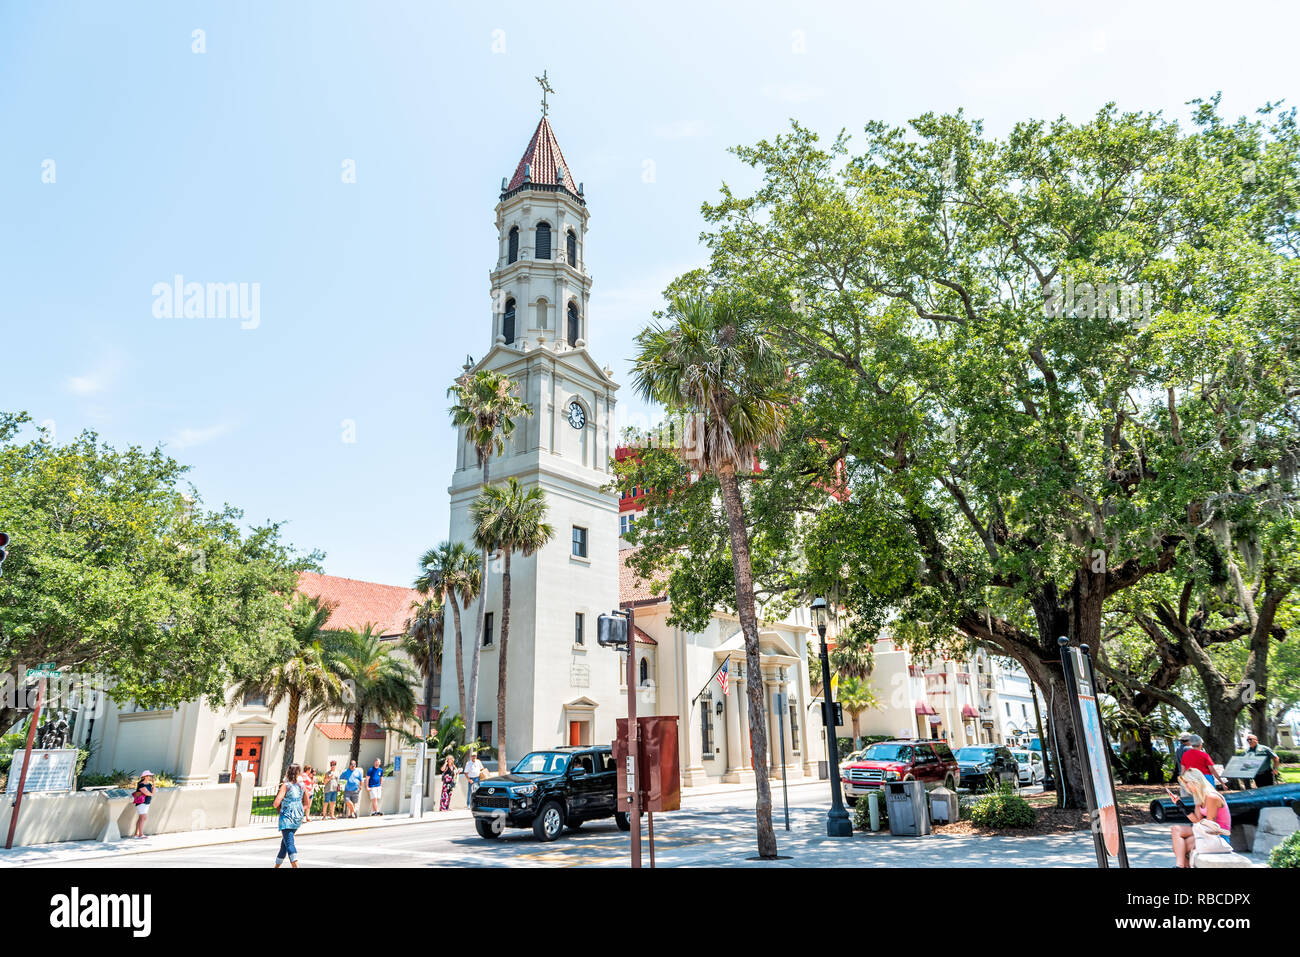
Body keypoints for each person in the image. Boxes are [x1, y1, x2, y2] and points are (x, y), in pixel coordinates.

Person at [1168, 768, 1231, 867]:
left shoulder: (1212, 797)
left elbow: (1211, 825)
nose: (1186, 786)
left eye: (1187, 783)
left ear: (1195, 781)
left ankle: (1179, 866)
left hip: (1218, 836)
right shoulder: (1200, 798)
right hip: (1206, 832)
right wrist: (1180, 804)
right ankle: (1179, 866)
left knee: (1179, 846)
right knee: (1176, 837)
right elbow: (1197, 820)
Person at [273, 763, 306, 868]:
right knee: (284, 845)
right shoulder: (301, 785)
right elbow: (307, 803)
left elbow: (276, 803)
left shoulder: (286, 786)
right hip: (297, 818)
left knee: (289, 843)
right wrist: (299, 808)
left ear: (288, 772)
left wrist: (283, 805)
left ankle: (295, 866)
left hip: (287, 818)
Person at [131, 771, 155, 838]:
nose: (150, 777)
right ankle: (141, 834)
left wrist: (154, 783)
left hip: (147, 802)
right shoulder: (141, 784)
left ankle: (136, 834)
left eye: (150, 776)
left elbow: (153, 791)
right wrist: (152, 794)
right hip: (141, 803)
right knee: (143, 817)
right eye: (149, 776)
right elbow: (147, 793)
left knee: (141, 818)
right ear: (145, 776)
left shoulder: (149, 784)